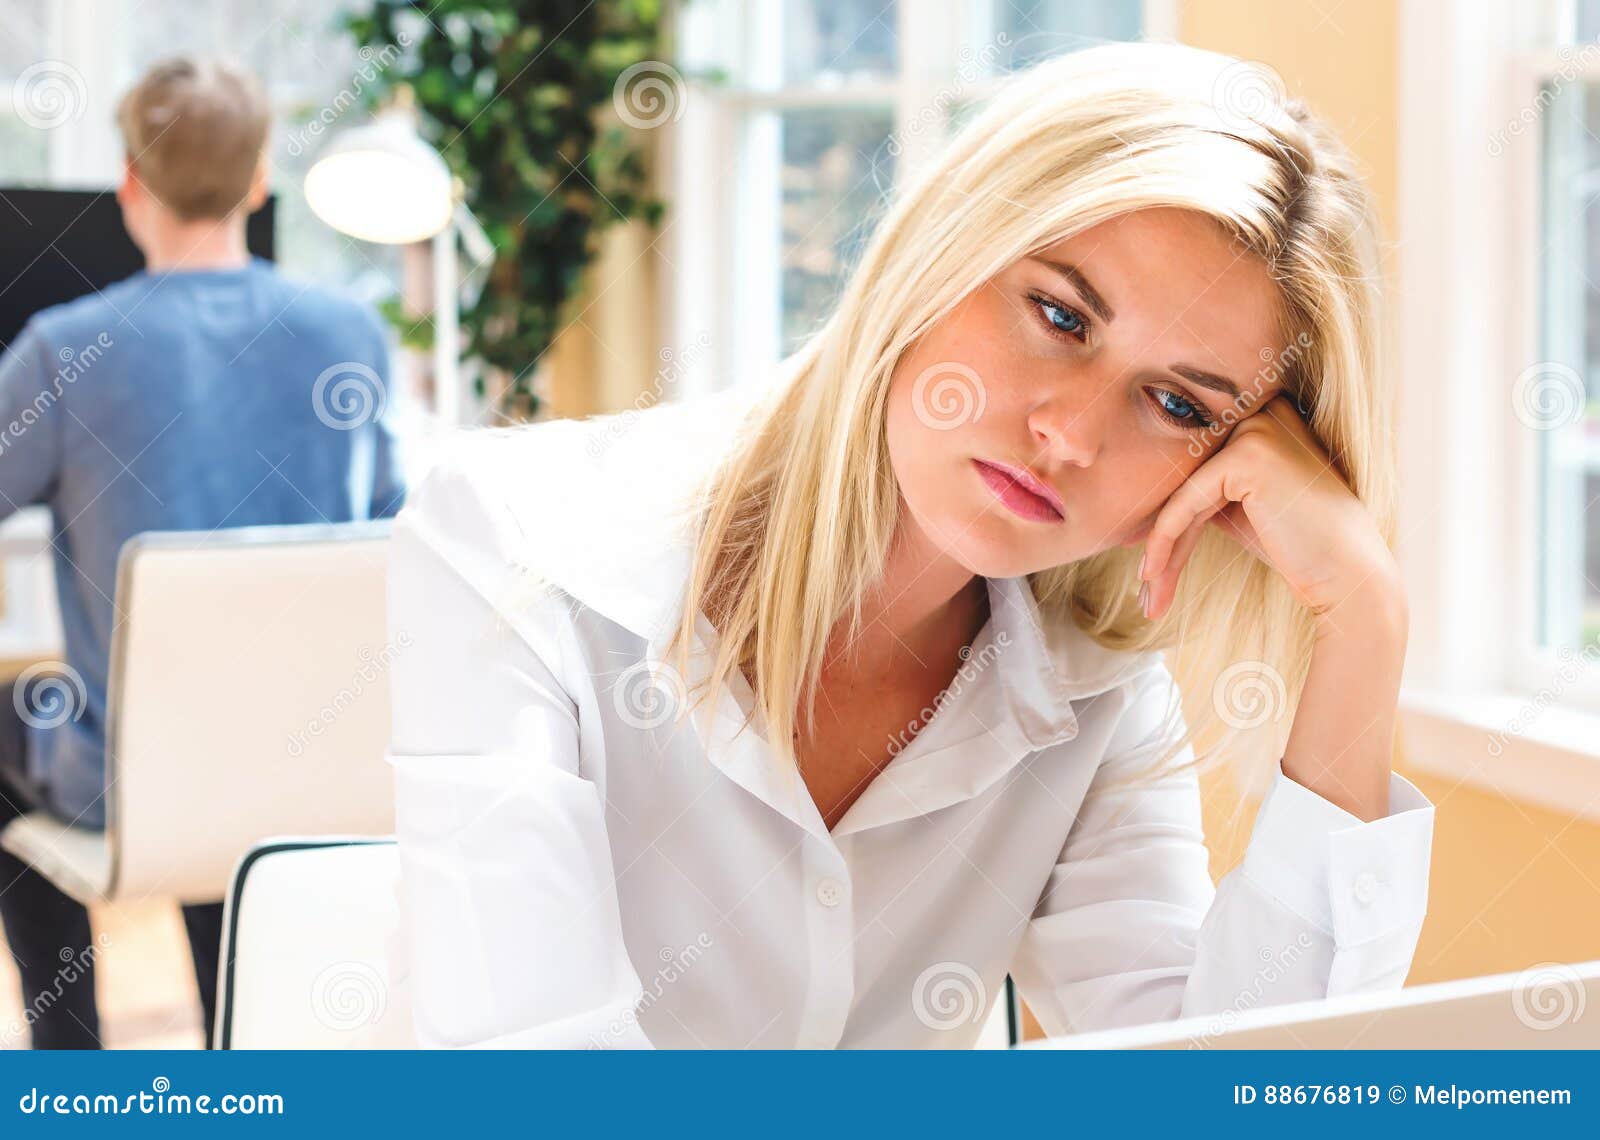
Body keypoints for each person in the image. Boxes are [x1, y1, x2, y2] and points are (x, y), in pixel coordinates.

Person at [385, 41, 1435, 1048]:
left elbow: (1237, 1085)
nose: (1070, 434)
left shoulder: (1094, 684)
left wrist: (1364, 620)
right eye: (1061, 317)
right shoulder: (515, 546)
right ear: (946, 243)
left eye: (1172, 403)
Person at [0, 56, 406, 1049]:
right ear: (259, 181)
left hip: (135, 789)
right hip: (310, 778)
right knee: (225, 763)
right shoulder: (351, 334)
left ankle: (75, 1064)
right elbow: (392, 525)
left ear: (131, 182)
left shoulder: (65, 348)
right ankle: (241, 1038)